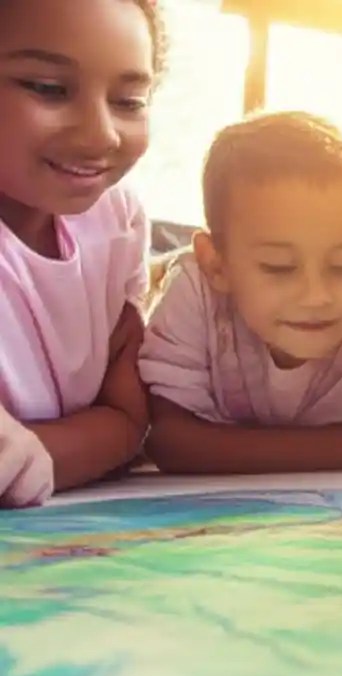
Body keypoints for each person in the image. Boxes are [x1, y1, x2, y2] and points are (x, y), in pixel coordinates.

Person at [141, 111, 342, 474]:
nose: (316, 296)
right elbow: (169, 440)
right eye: (279, 267)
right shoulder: (195, 296)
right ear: (216, 265)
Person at [0, 0, 164, 504]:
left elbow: (127, 419)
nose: (101, 134)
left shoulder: (114, 222)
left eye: (130, 100)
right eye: (48, 89)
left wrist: (29, 458)